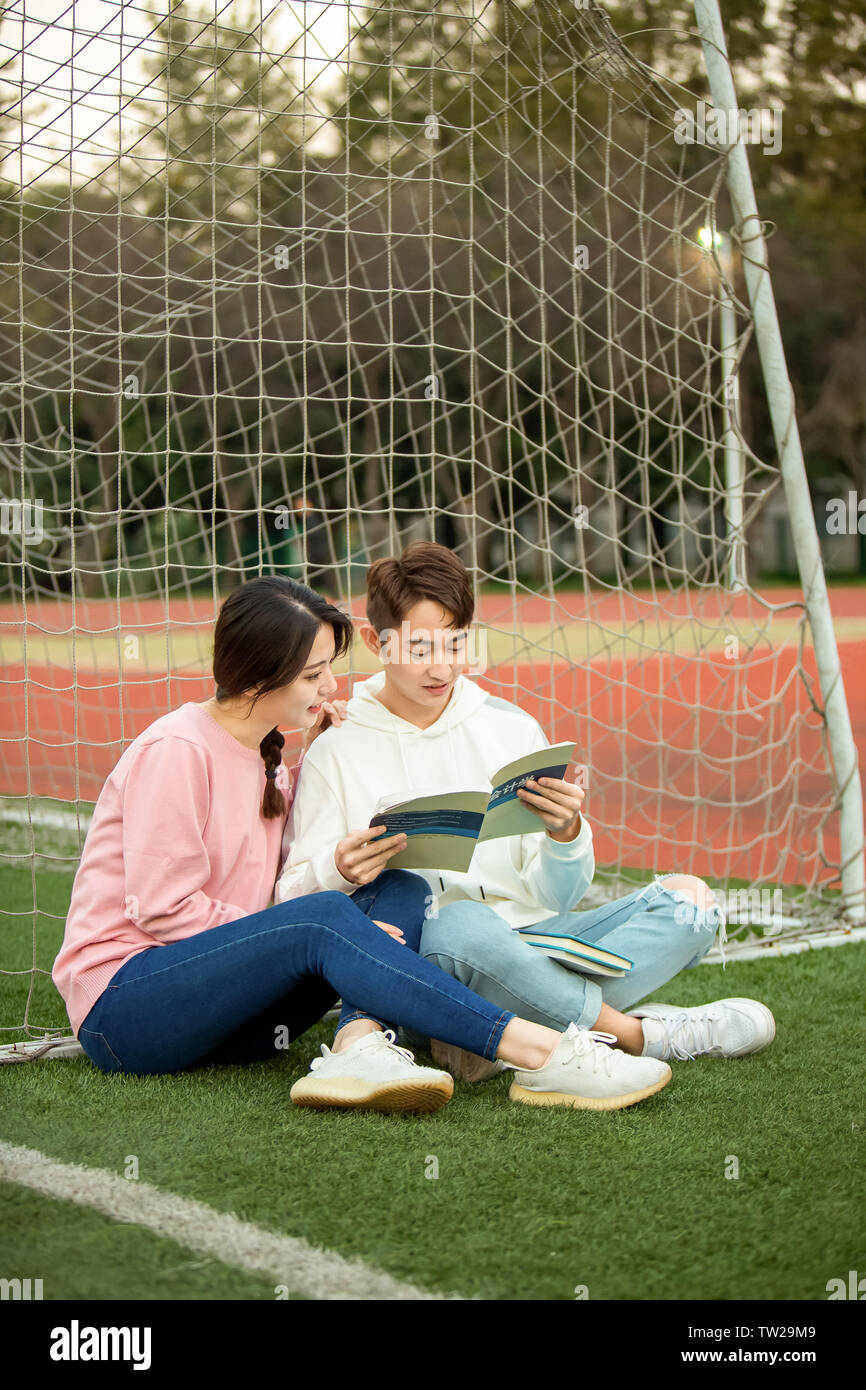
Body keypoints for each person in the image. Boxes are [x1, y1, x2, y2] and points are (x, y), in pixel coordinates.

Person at [51, 575, 674, 1114]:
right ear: (257, 675)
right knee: (324, 919)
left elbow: (273, 887)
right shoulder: (177, 750)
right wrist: (296, 935)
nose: (331, 687)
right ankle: (542, 1051)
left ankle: (359, 1043)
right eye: (313, 674)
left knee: (392, 883)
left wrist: (331, 874)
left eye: (329, 670)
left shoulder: (270, 757)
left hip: (230, 1024)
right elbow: (161, 909)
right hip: (129, 1014)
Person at [278, 543, 776, 1082]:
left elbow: (557, 898)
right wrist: (339, 868)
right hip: (427, 964)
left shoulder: (510, 727)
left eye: (456, 644)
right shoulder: (337, 745)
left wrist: (567, 835)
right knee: (461, 919)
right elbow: (290, 900)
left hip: (535, 939)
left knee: (691, 903)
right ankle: (639, 1034)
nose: (441, 667)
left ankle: (492, 1033)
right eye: (420, 649)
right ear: (378, 642)